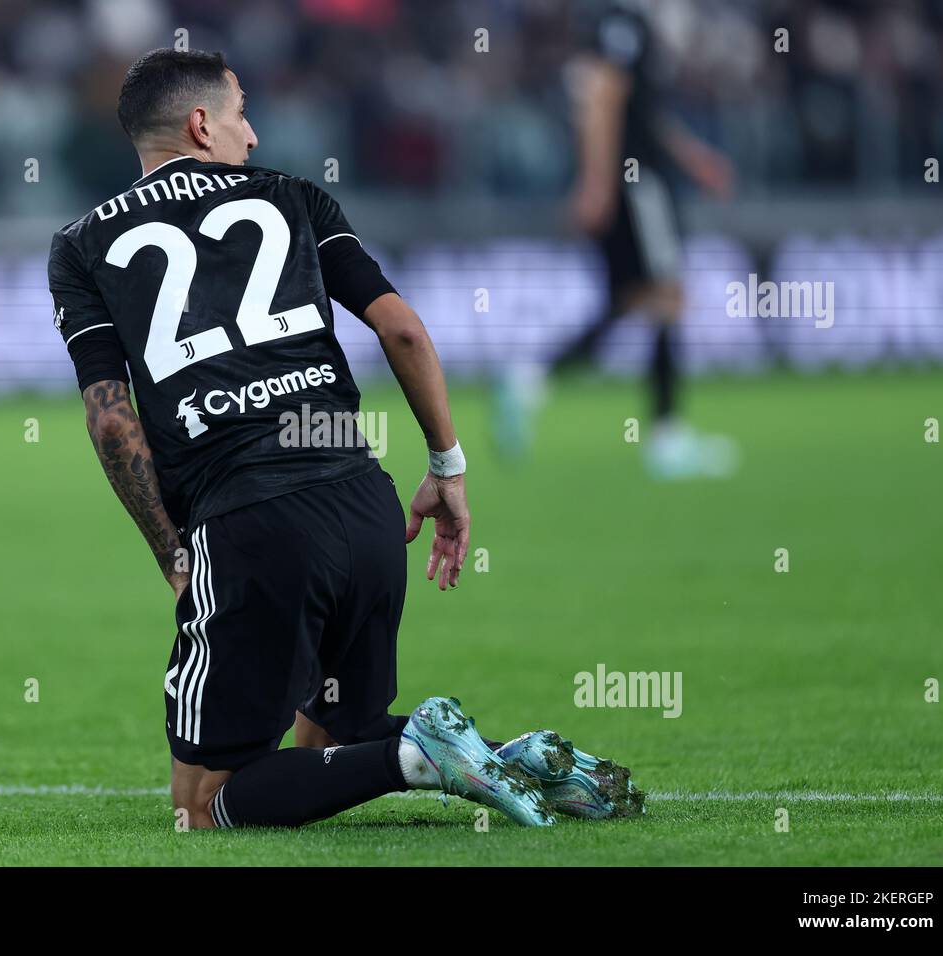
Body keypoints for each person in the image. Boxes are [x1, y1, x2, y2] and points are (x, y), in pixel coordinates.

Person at [49, 48, 640, 828]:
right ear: (200, 125)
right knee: (335, 734)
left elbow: (110, 415)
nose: (252, 135)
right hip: (365, 505)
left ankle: (418, 757)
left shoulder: (83, 244)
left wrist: (170, 549)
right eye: (239, 113)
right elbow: (401, 329)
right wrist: (447, 468)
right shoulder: (296, 198)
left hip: (250, 517)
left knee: (204, 802)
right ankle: (525, 757)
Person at [498, 0, 737, 479]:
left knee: (630, 299)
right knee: (667, 296)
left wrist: (693, 157)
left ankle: (529, 379)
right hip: (637, 184)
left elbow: (640, 110)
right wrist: (596, 182)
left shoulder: (616, 21)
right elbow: (602, 95)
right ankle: (668, 438)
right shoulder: (620, 21)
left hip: (631, 179)